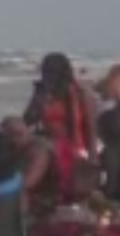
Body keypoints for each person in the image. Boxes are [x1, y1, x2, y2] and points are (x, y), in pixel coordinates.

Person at [23, 52, 99, 199]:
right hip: (47, 140)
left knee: (41, 151)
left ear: (61, 73)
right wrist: (38, 104)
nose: (46, 77)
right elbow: (26, 121)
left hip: (72, 145)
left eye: (50, 72)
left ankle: (24, 187)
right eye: (44, 72)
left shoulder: (79, 94)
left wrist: (93, 157)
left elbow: (91, 128)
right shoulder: (42, 93)